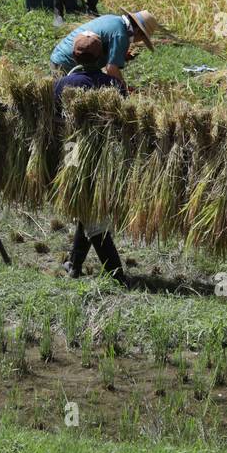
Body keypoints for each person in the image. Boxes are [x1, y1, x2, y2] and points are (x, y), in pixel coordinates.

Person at [53, 33, 128, 286]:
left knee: (85, 203)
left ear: (75, 56)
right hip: (102, 152)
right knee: (91, 208)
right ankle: (117, 274)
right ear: (102, 56)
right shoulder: (112, 86)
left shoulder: (64, 83)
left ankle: (74, 264)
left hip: (72, 150)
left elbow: (55, 120)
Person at [50, 10, 158, 85]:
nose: (138, 41)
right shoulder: (121, 35)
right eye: (142, 39)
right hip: (67, 64)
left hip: (58, 56)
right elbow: (111, 69)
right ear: (139, 31)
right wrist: (123, 89)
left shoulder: (114, 19)